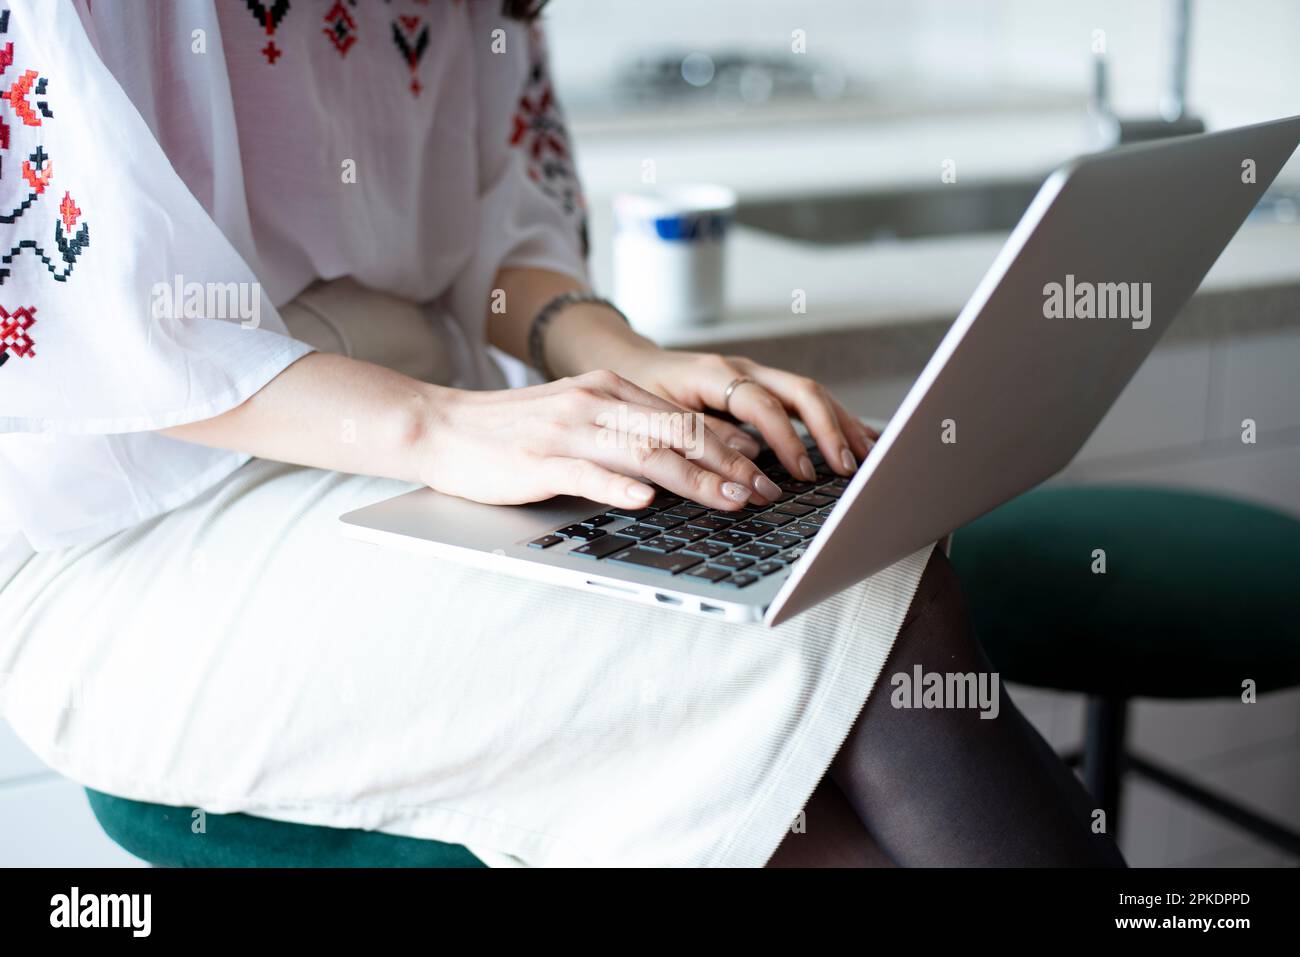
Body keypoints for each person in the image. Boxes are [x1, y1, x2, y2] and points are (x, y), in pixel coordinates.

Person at [0, 0, 1122, 867]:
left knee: (865, 567)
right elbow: (79, 320)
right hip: (142, 530)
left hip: (449, 452)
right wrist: (433, 422)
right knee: (825, 636)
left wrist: (624, 358)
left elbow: (501, 245)